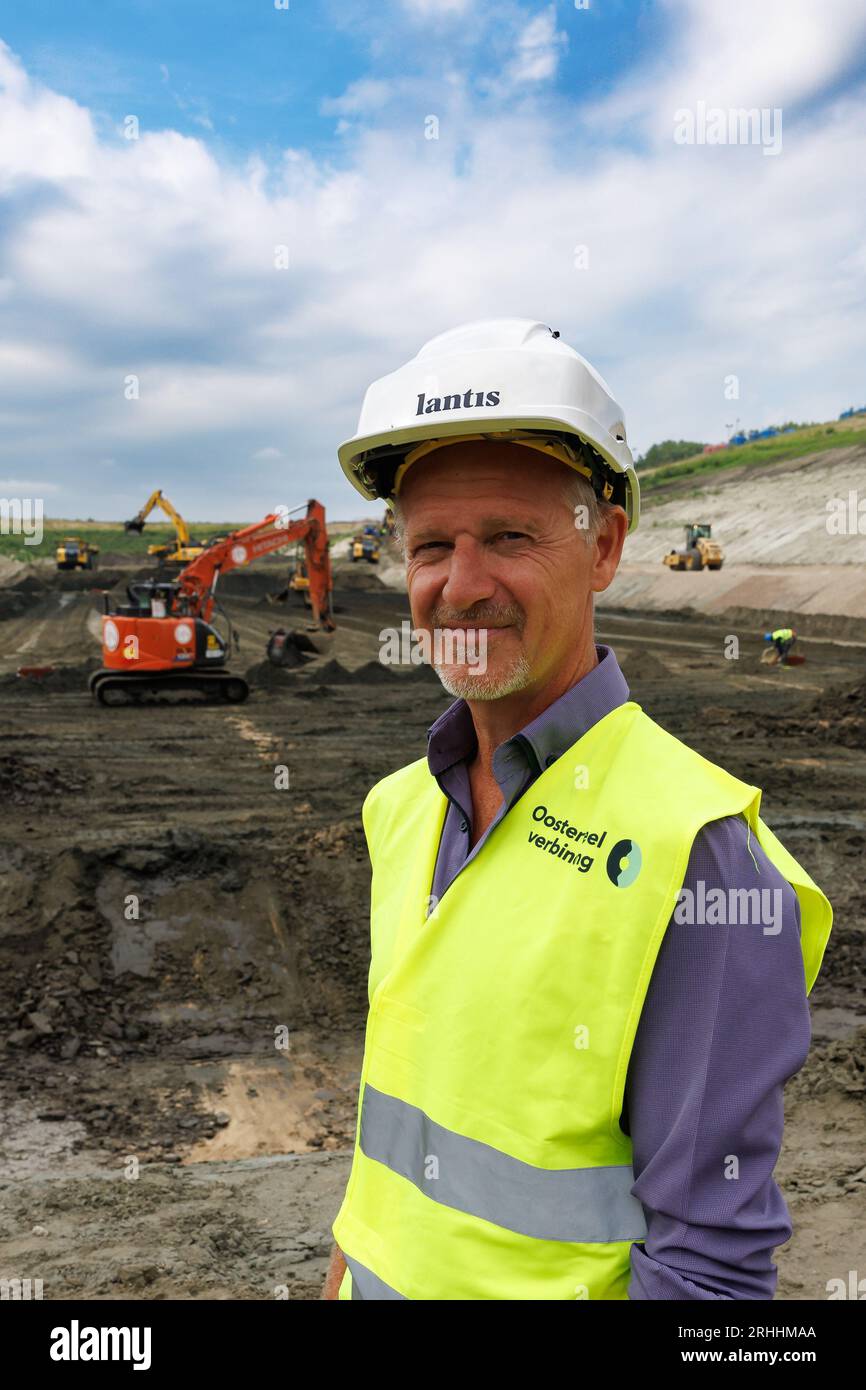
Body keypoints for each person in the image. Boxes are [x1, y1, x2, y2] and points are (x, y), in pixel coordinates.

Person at [324, 319, 832, 1301]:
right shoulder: (397, 811)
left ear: (602, 547)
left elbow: (707, 1278)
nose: (459, 587)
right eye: (431, 545)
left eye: (508, 538)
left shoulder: (698, 857)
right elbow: (392, 1140)